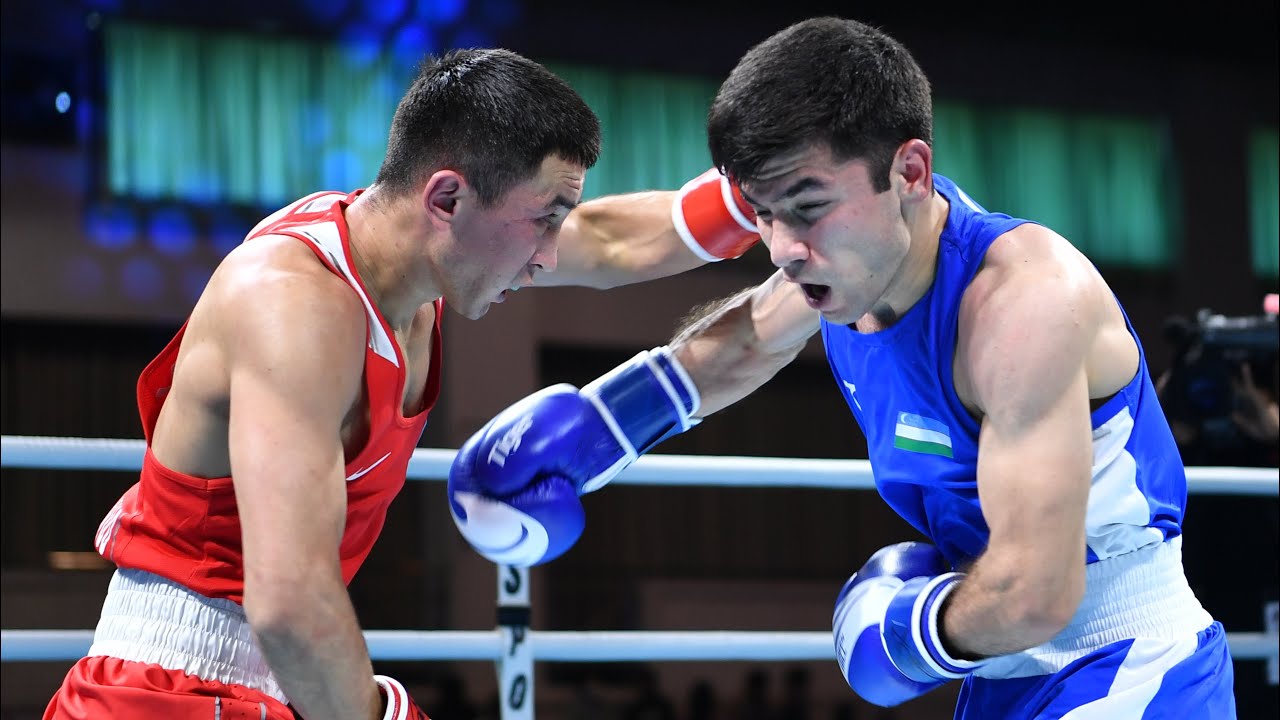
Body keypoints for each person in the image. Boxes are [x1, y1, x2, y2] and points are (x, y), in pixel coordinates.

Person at [446, 17, 1236, 719]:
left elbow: (1036, 596)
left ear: (910, 173)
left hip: (1129, 665)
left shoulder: (1022, 305)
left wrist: (904, 635)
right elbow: (748, 341)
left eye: (809, 206)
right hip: (1004, 676)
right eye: (764, 214)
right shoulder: (855, 266)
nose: (784, 248)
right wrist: (602, 424)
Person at [44, 47, 762, 720]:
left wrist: (765, 199)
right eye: (545, 220)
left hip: (284, 677)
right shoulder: (295, 305)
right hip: (164, 689)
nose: (549, 255)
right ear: (446, 198)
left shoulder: (422, 260)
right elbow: (289, 604)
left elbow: (608, 241)